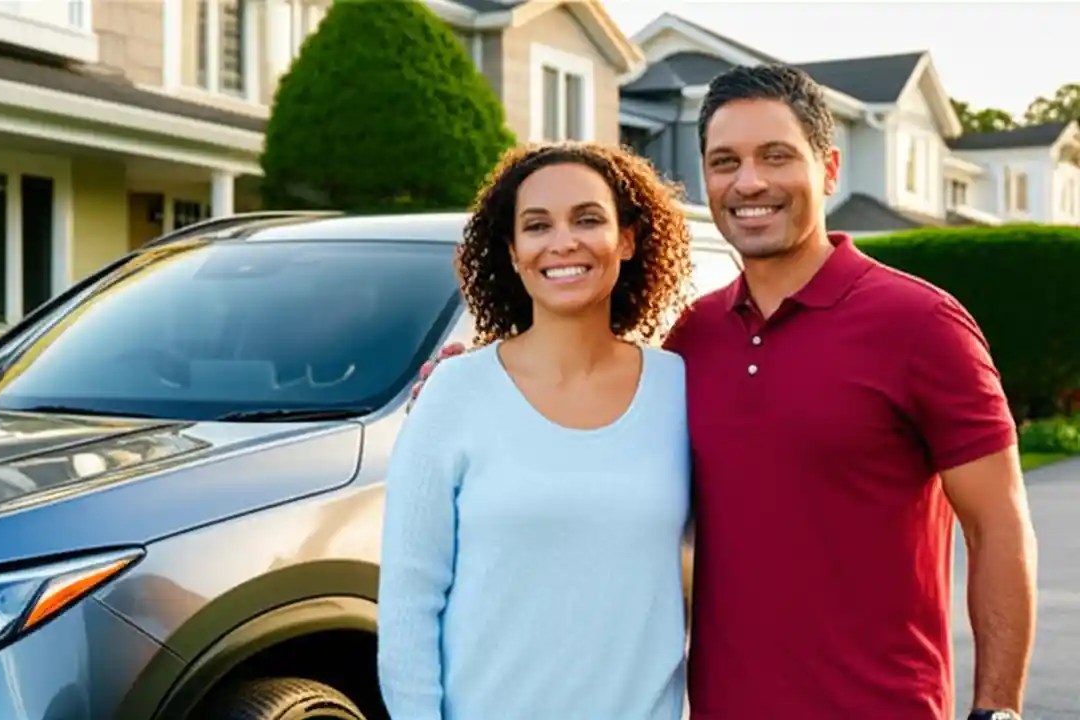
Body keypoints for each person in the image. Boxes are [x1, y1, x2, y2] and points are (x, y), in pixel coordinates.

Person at [410, 64, 1038, 720]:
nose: (750, 182)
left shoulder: (922, 325)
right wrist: (481, 381)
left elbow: (997, 525)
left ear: (827, 169)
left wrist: (998, 710)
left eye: (776, 156)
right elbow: (587, 406)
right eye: (724, 161)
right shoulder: (694, 337)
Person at [376, 142, 696, 720]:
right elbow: (408, 604)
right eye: (537, 225)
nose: (562, 242)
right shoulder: (456, 393)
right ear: (514, 251)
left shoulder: (679, 390)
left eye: (588, 219)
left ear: (626, 239)